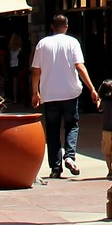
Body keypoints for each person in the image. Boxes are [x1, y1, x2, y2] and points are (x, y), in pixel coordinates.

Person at [31, 13, 99, 180]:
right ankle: (70, 156)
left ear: (52, 27)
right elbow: (80, 66)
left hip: (49, 93)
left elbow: (36, 71)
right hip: (70, 92)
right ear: (66, 27)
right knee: (72, 125)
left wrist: (35, 92)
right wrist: (92, 88)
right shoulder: (72, 42)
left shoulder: (42, 44)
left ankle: (56, 167)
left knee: (53, 130)